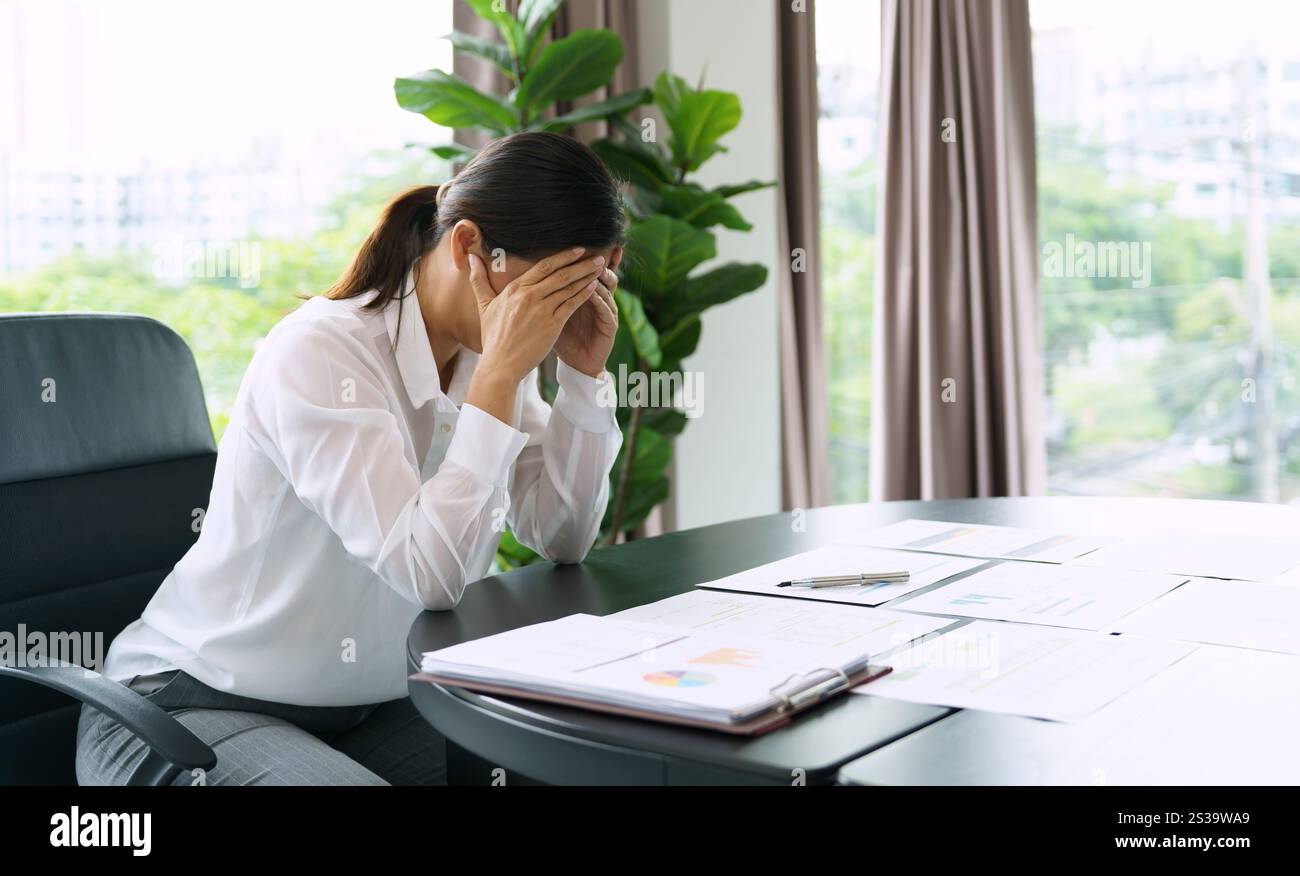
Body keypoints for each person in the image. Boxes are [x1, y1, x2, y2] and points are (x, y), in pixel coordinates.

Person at [76, 131, 626, 785]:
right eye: (546, 291)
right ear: (470, 247)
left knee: (566, 773)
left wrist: (584, 381)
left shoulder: (495, 352)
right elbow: (429, 574)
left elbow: (561, 538)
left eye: (579, 289)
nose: (555, 315)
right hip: (185, 706)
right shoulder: (322, 353)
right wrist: (499, 382)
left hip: (370, 707)